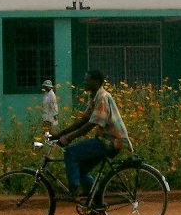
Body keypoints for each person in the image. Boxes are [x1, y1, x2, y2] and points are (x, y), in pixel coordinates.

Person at [53, 69, 130, 200]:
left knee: (70, 153)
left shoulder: (103, 97)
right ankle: (96, 199)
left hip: (111, 141)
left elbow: (91, 125)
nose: (84, 82)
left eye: (87, 80)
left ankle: (74, 190)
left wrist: (68, 138)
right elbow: (83, 120)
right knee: (81, 169)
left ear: (97, 82)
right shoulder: (94, 96)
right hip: (104, 140)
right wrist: (60, 134)